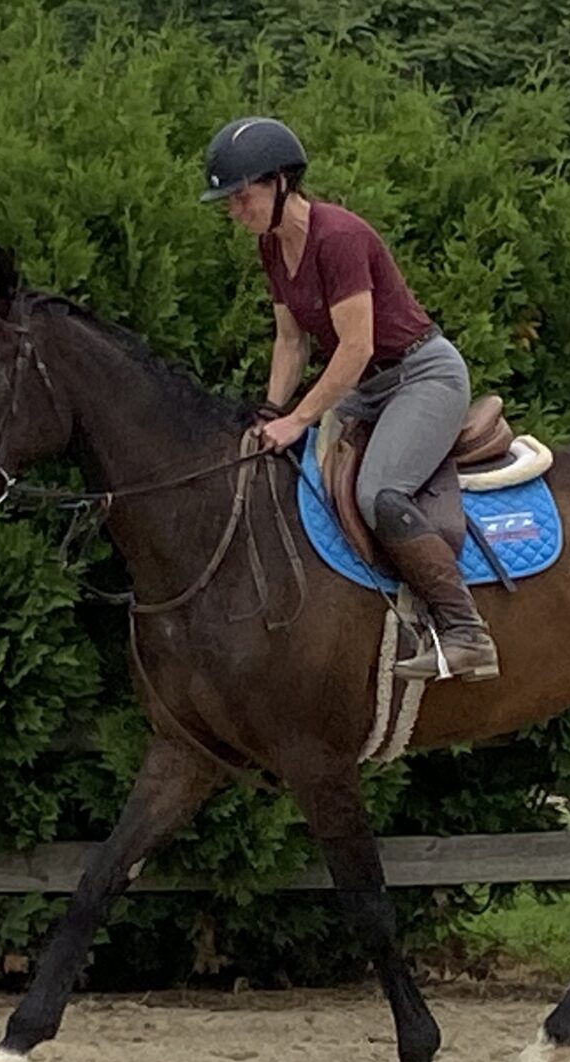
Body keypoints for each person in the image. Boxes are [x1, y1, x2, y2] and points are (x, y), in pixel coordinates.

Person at [200, 116, 498, 684]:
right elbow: (291, 340)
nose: (234, 211)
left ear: (281, 183)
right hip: (367, 390)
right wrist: (271, 412)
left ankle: (466, 633)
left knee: (379, 493)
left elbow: (356, 347)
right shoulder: (271, 247)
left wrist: (300, 419)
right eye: (229, 202)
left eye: (241, 197)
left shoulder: (338, 238)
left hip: (420, 377)